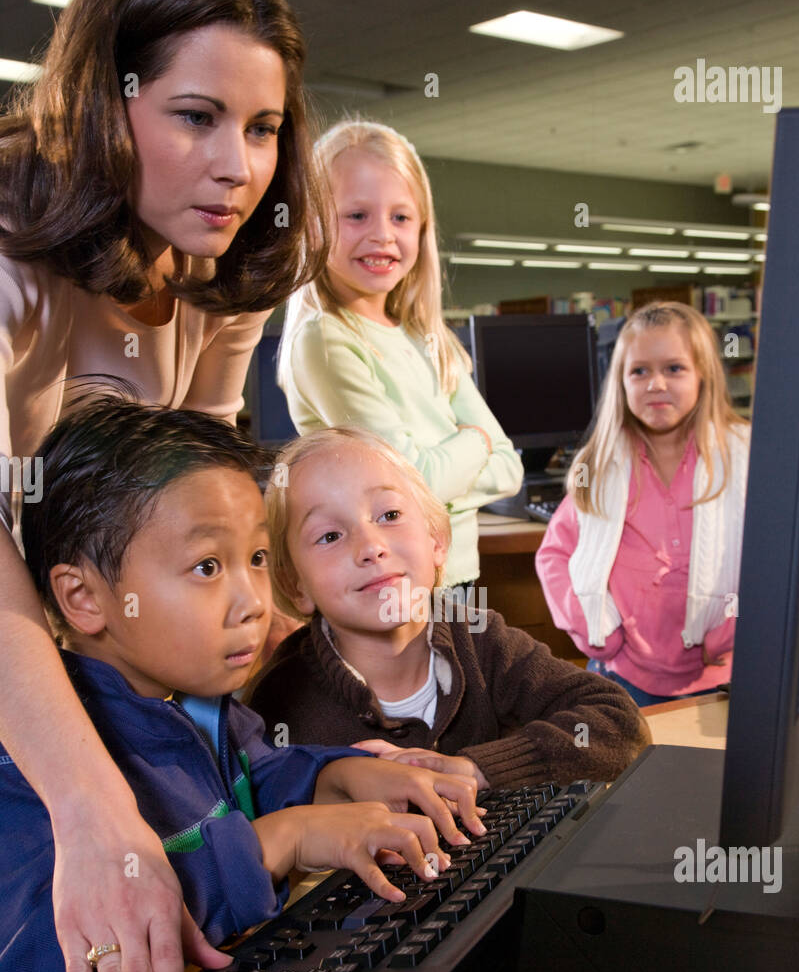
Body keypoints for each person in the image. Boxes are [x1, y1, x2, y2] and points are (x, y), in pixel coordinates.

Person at [2, 396, 484, 972]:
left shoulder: (194, 703)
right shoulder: (38, 769)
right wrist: (281, 839)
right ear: (83, 597)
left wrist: (339, 771)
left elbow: (256, 771)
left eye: (259, 558)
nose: (253, 600)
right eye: (207, 568)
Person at [0, 0, 331, 972]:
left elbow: (190, 503)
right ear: (108, 101)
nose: (238, 168)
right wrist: (93, 808)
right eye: (196, 116)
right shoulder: (13, 261)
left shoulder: (219, 263)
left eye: (264, 126)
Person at [246, 427, 651, 787]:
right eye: (330, 535)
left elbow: (619, 723)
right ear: (294, 584)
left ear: (436, 539)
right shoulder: (278, 702)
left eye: (389, 514)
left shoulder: (479, 638)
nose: (371, 547)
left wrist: (477, 769)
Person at [276, 118, 524, 589]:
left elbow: (509, 468)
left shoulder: (425, 336)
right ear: (314, 224)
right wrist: (476, 442)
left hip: (461, 575)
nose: (383, 235)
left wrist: (436, 477)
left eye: (401, 217)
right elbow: (412, 484)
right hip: (390, 583)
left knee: (468, 665)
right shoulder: (327, 339)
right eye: (356, 216)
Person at [535, 302, 751, 708]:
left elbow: (777, 559)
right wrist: (594, 629)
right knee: (630, 771)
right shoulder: (599, 465)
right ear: (621, 382)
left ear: (703, 374)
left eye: (674, 368)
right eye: (639, 371)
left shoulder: (743, 457)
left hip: (723, 676)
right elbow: (555, 555)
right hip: (622, 676)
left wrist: (729, 633)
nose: (655, 383)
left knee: (713, 771)